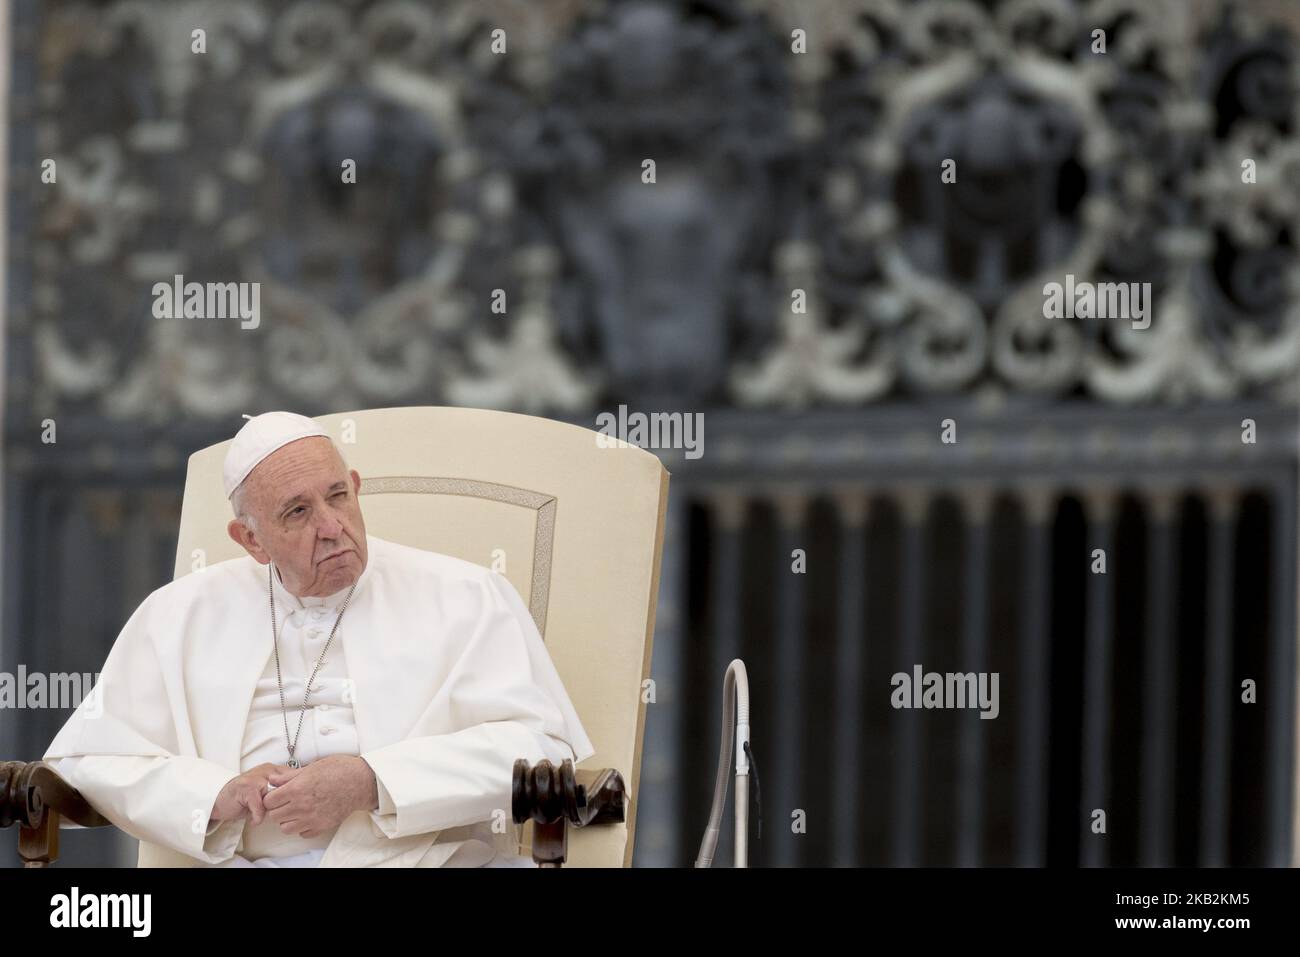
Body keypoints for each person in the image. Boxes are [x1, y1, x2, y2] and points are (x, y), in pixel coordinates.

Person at [43, 411, 593, 867]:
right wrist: (213, 793)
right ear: (250, 540)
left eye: (337, 496)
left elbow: (543, 751)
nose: (332, 526)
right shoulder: (179, 614)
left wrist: (372, 781)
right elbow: (88, 758)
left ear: (355, 489)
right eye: (298, 512)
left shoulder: (468, 595)